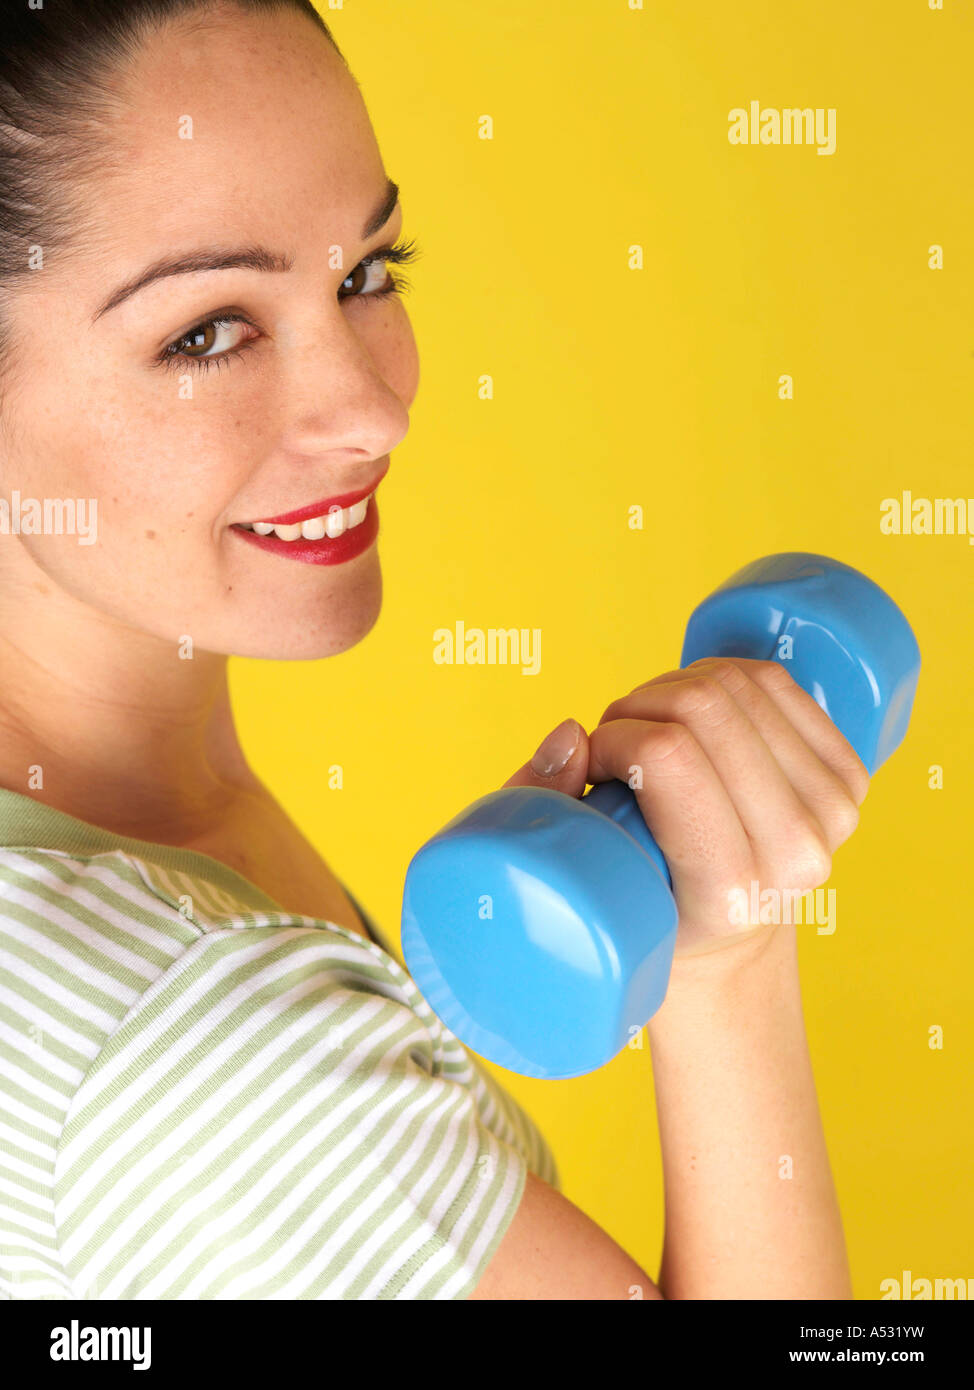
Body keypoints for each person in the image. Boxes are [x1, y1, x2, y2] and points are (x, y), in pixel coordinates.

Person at [0, 0, 863, 1300]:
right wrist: (723, 975)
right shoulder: (195, 1039)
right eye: (207, 330)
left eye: (363, 274)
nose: (371, 410)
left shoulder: (145, 848)